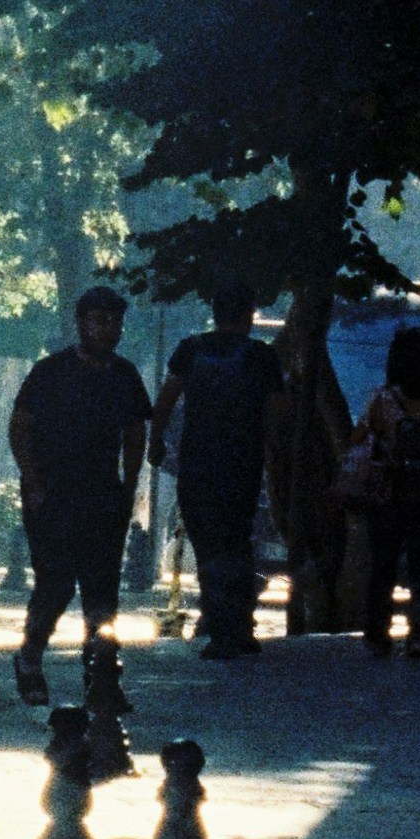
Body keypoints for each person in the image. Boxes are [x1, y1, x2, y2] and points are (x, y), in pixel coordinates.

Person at [9, 283, 153, 701]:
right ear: (82, 323)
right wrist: (32, 479)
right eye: (101, 321)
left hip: (102, 494)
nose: (110, 330)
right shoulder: (50, 372)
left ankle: (101, 673)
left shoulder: (125, 376)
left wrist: (128, 490)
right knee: (55, 584)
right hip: (51, 493)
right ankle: (30, 657)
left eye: (116, 322)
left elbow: (135, 433)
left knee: (102, 587)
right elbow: (20, 426)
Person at [151, 282, 284, 660]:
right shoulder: (260, 356)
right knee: (237, 543)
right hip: (242, 465)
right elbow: (276, 414)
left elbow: (165, 400)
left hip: (197, 464)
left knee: (207, 545)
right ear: (248, 316)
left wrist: (156, 440)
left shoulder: (191, 351)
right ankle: (238, 625)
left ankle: (217, 621)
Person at [348, 322, 420, 657]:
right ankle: (419, 636)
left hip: (389, 496)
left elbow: (358, 440)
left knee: (383, 565)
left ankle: (378, 634)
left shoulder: (384, 400)